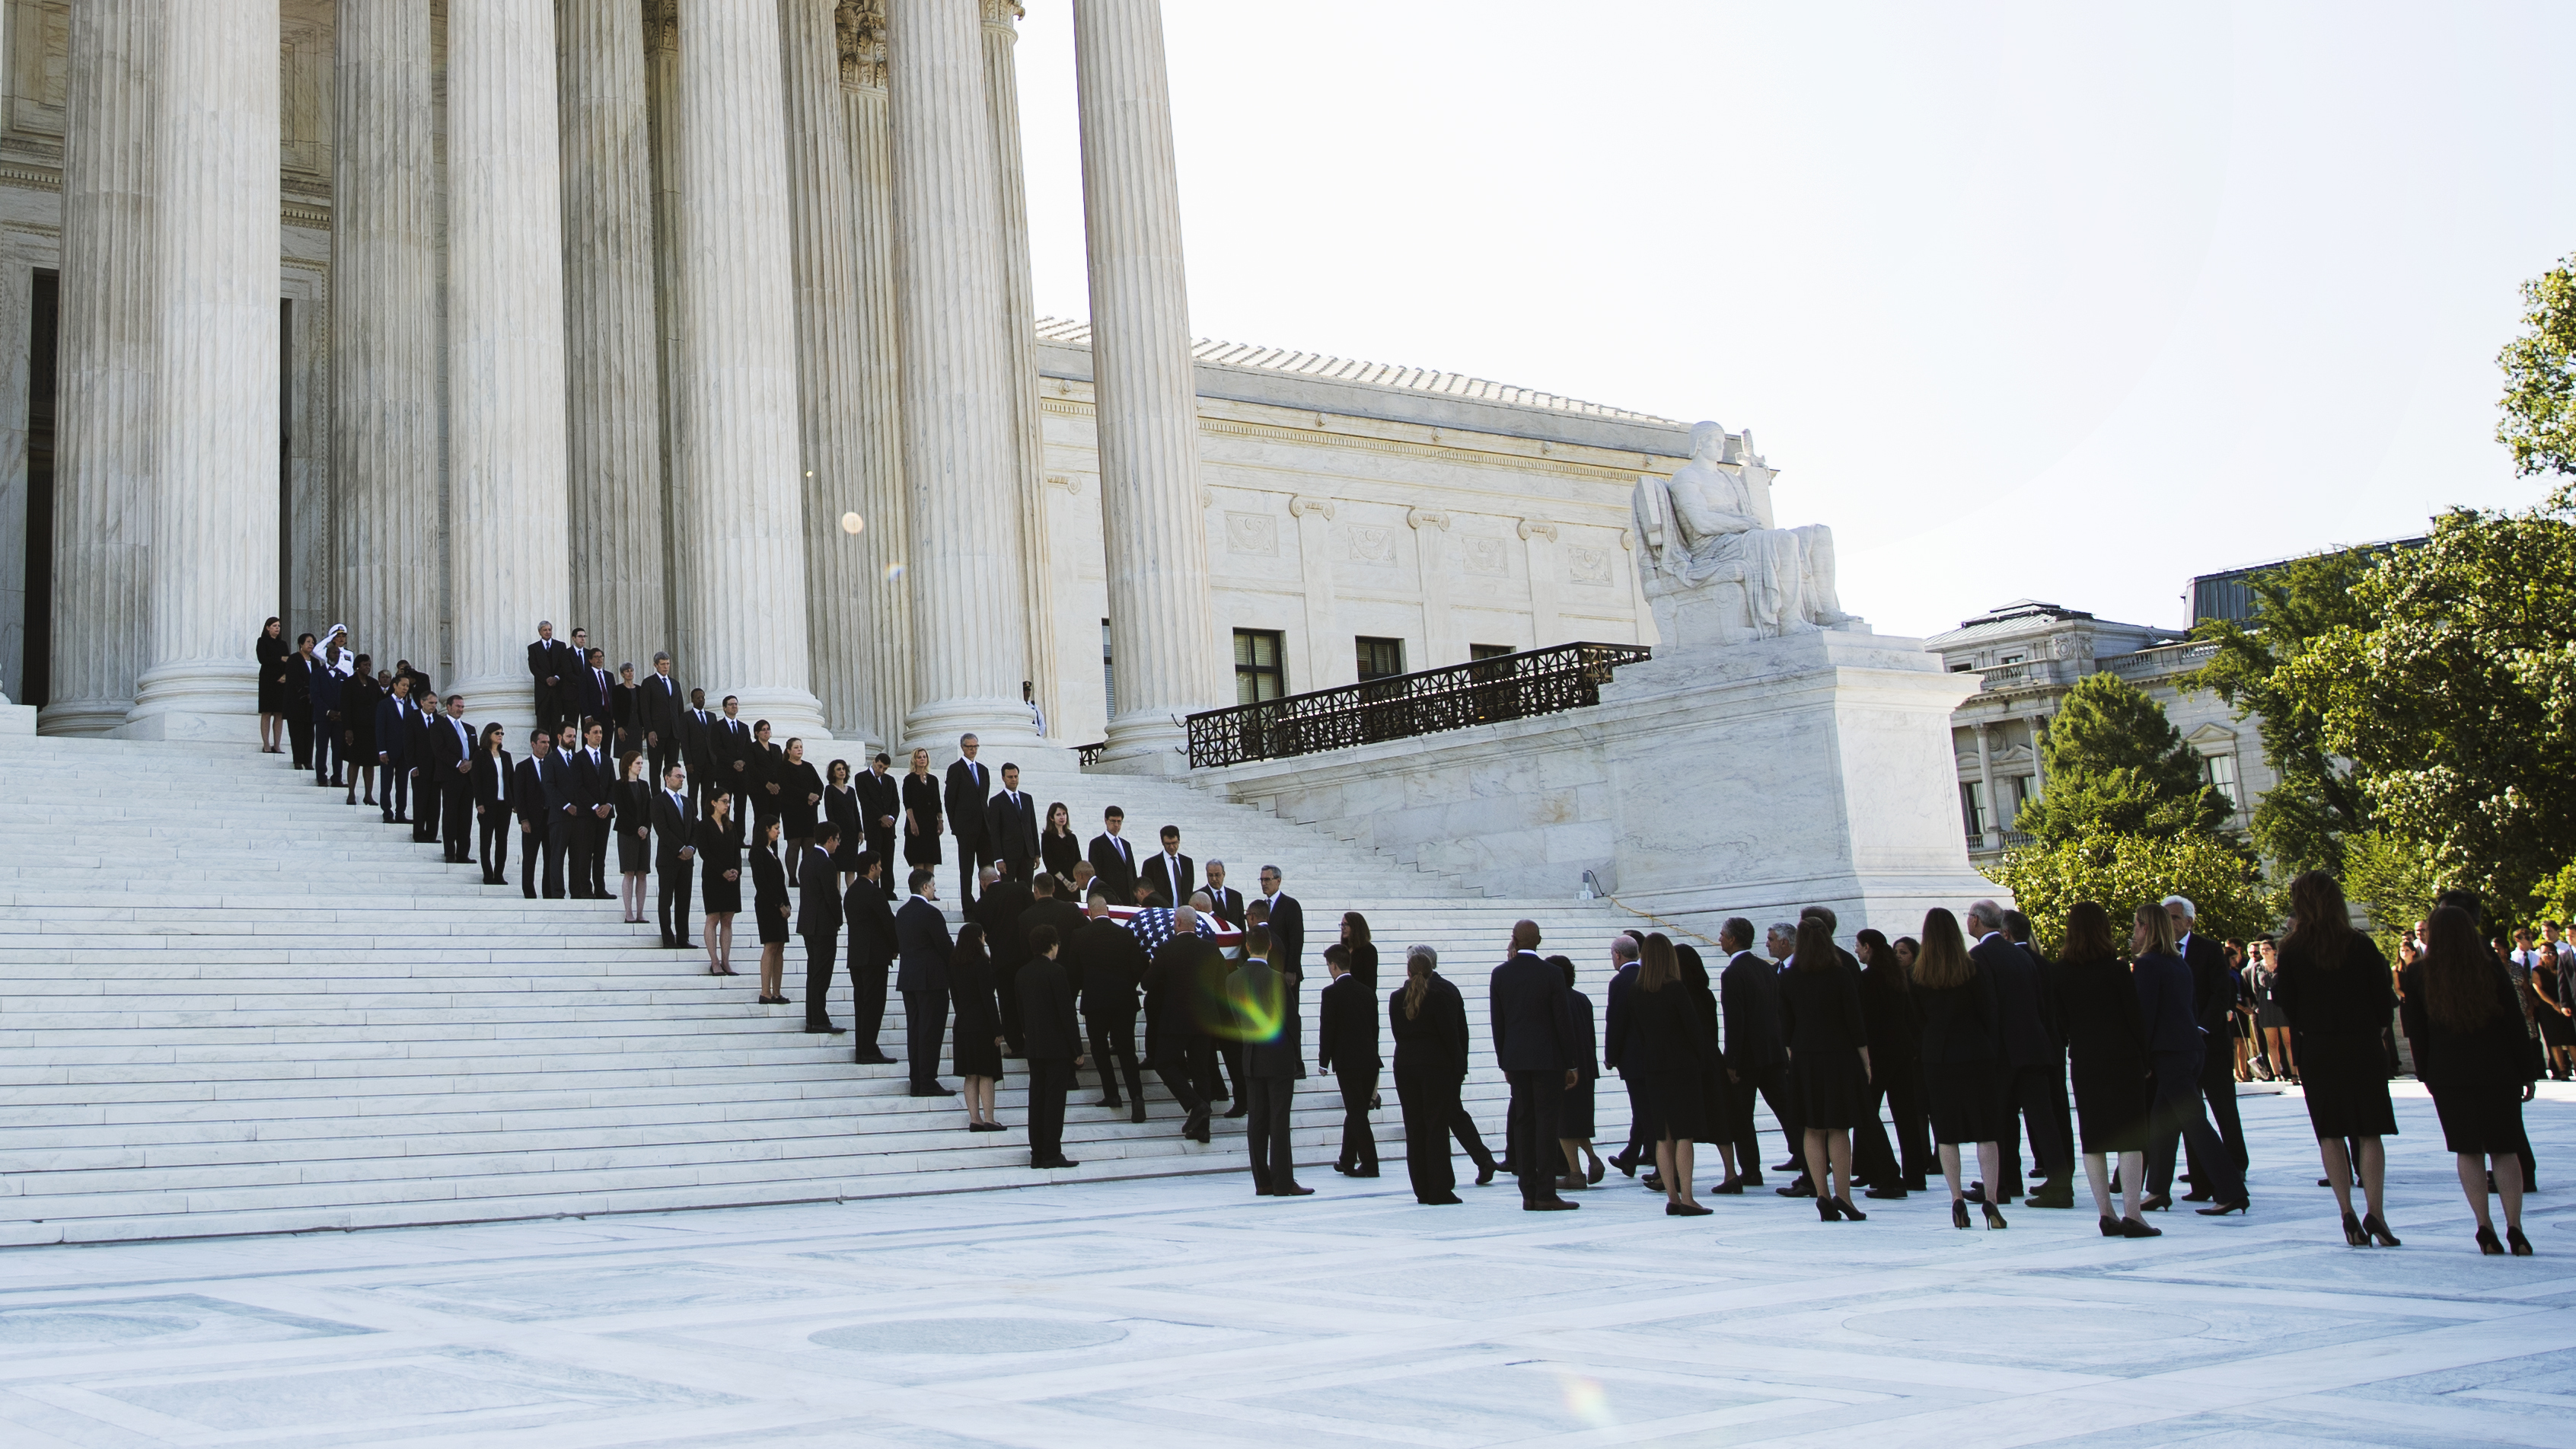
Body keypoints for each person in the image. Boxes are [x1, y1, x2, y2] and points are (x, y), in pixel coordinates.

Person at [2275, 870, 2402, 1248]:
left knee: (2329, 1131)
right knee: (2370, 1131)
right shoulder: (2359, 945)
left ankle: (2346, 1210)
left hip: (2318, 1046)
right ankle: (2375, 1212)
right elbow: (2384, 1002)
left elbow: (2288, 1002)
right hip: (2361, 1044)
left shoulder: (2292, 949)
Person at [2401, 905, 2537, 1255]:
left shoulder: (2417, 975)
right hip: (2498, 1069)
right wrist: (2527, 1071)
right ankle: (2516, 1227)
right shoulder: (2491, 968)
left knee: (2467, 1150)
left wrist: (2426, 1074)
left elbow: (2416, 1032)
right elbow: (2513, 1024)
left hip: (2449, 1073)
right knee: (2505, 1149)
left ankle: (2484, 1225)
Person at [2134, 902, 2246, 1215]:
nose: (2134, 933)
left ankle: (2231, 1190)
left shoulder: (2148, 964)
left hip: (2171, 1055)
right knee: (2162, 1122)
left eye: (2136, 926)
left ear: (2145, 928)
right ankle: (2157, 1189)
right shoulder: (2176, 962)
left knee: (2194, 1122)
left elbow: (2145, 1016)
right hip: (2190, 1050)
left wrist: (2141, 1060)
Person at [2055, 902, 2158, 1238]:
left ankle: (2106, 1213)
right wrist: (2145, 1060)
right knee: (2130, 1137)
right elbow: (2134, 1019)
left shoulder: (2060, 972)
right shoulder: (2116, 970)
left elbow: (2059, 1022)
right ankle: (2133, 1213)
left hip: (2085, 1060)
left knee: (2093, 1138)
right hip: (2122, 1059)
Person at [1965, 900, 2069, 1208]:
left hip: (2002, 1053)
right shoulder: (2021, 954)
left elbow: (1988, 1008)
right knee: (2042, 1119)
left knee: (2000, 1120)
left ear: (1976, 922)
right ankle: (2060, 1185)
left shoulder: (1979, 956)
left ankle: (2003, 1184)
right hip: (2032, 1047)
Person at [1914, 908, 2007, 1230]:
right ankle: (1991, 1200)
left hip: (1937, 1059)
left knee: (1946, 1134)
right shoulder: (1973, 969)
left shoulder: (1918, 975)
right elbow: (1990, 1014)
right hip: (1974, 1054)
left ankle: (1956, 1199)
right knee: (1986, 1132)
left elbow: (1917, 1023)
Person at [1781, 916, 1870, 1221]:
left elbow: (1786, 1027)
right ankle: (1842, 1195)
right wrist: (1866, 1062)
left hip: (1806, 1057)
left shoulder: (1789, 977)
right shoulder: (1840, 975)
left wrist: (1794, 1058)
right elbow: (1856, 1024)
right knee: (1839, 1127)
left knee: (1812, 1128)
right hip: (1839, 1057)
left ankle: (1821, 1193)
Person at [1389, 944, 1494, 1204]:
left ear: (1409, 970)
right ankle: (1440, 1188)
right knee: (1436, 1127)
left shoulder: (1396, 997)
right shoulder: (1442, 993)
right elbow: (1453, 1035)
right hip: (1436, 1067)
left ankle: (1422, 1188)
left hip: (1405, 1066)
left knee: (1414, 1128)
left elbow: (1398, 1034)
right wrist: (1459, 1066)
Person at [1488, 921, 1580, 1211]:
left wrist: (1504, 1060)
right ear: (1539, 940)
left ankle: (1528, 1190)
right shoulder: (1551, 974)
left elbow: (1497, 1022)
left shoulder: (1501, 974)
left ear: (1513, 939)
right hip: (1547, 1060)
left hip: (1516, 1059)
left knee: (1524, 1122)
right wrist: (1571, 1063)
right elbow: (1562, 1021)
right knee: (1546, 1124)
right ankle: (1546, 1190)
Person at [2166, 895, 2252, 1202]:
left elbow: (2221, 993)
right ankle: (2200, 1174)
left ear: (2189, 921)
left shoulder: (2209, 949)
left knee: (2224, 1107)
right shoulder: (2159, 951)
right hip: (2179, 1047)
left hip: (2210, 1043)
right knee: (2190, 1111)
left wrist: (2202, 1027)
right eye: (2165, 917)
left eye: (2175, 918)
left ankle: (2237, 1165)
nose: (2170, 923)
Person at [1628, 933, 1714, 1215]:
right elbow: (1693, 1030)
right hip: (1681, 1067)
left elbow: (1639, 1033)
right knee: (1684, 1134)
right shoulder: (1676, 989)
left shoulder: (1637, 991)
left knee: (1663, 1137)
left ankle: (1672, 1197)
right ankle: (1688, 1197)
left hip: (1654, 1067)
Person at [1228, 925, 1311, 1195]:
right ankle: (1283, 1182)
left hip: (1251, 1057)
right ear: (1270, 948)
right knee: (1278, 1121)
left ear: (1248, 947)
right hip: (1278, 1059)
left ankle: (1262, 1181)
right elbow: (1291, 1022)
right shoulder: (1277, 979)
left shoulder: (1233, 980)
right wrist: (1296, 1057)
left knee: (1257, 1121)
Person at [1852, 928, 1927, 1198]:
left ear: (1869, 947)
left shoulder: (1868, 978)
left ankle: (1882, 1173)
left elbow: (1865, 1021)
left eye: (1859, 946)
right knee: (1906, 1114)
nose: (1857, 951)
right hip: (1902, 1051)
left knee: (1866, 1114)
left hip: (1878, 1054)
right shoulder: (1896, 975)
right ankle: (1915, 1175)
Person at [1142, 905, 1220, 1143]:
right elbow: (1221, 984)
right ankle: (1203, 1129)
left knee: (1164, 1063)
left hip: (1176, 1020)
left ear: (1176, 923)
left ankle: (1196, 1105)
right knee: (1201, 1071)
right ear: (1194, 924)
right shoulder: (1211, 949)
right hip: (1205, 1019)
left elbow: (1147, 984)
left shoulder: (1167, 950)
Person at [1068, 892, 1149, 1122]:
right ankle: (1137, 1097)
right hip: (1124, 1001)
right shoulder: (1125, 934)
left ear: (1090, 913)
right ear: (1109, 911)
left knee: (1099, 1049)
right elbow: (1137, 969)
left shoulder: (1080, 936)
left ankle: (1112, 1094)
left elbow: (1074, 973)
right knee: (1127, 1051)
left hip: (1095, 1002)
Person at [1717, 921, 1786, 1190]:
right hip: (1772, 1052)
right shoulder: (1766, 969)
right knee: (1785, 1110)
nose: (1720, 939)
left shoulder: (1733, 973)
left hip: (1746, 1058)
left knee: (1742, 1116)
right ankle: (1808, 1163)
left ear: (1733, 940)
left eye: (1723, 935)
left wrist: (1731, 1062)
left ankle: (1751, 1171)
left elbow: (1736, 1021)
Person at [1020, 924, 1086, 1169]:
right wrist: (1077, 1049)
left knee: (1036, 1098)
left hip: (1035, 1047)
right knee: (1055, 1100)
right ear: (1052, 945)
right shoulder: (1057, 972)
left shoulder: (1022, 974)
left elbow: (1020, 1014)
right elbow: (1066, 1014)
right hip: (1056, 1049)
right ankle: (1051, 1152)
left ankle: (1037, 1152)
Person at [1318, 943, 1381, 1177]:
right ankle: (1346, 1159)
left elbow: (1328, 1028)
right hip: (1369, 1061)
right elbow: (1375, 1029)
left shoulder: (1331, 993)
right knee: (1356, 1111)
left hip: (1348, 1063)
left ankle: (1370, 1163)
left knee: (1356, 1114)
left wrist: (1324, 1061)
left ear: (1334, 966)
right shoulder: (1367, 992)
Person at [897, 867, 955, 1096]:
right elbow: (945, 947)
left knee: (916, 1030)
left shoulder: (902, 912)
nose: (935, 889)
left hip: (909, 979)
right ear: (924, 887)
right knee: (931, 1031)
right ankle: (928, 1081)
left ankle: (917, 1081)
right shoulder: (930, 913)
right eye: (932, 886)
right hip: (931, 981)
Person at [840, 853, 900, 1064]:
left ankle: (863, 1049)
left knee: (862, 1004)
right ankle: (868, 1049)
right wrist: (896, 947)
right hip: (874, 957)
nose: (882, 870)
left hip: (856, 957)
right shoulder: (874, 893)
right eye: (880, 866)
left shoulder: (851, 892)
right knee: (874, 1005)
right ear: (872, 867)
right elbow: (888, 922)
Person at [1551, 954, 1604, 1190]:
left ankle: (1575, 1173)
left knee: (1563, 1122)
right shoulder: (1582, 999)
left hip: (1567, 1069)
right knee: (1578, 1120)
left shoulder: (1556, 1000)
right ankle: (1592, 1159)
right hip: (1587, 1066)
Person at [1601, 934, 1651, 1178]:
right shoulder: (1650, 974)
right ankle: (1631, 1156)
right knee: (1644, 1108)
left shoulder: (1620, 981)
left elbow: (1616, 1021)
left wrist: (1610, 1055)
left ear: (1618, 955)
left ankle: (1659, 1162)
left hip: (1633, 1058)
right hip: (1655, 1055)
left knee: (1643, 1109)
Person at [948, 921, 1006, 1131]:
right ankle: (989, 1118)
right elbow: (988, 999)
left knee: (970, 1074)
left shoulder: (954, 964)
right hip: (982, 1025)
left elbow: (954, 997)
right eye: (982, 935)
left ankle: (975, 1118)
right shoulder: (982, 964)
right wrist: (998, 1030)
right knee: (986, 1073)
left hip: (963, 1024)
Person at [974, 863, 1035, 1055]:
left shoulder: (980, 906)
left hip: (1002, 961)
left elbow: (983, 934)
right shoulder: (1020, 888)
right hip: (1028, 956)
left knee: (1008, 1004)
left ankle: (1017, 1045)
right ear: (998, 878)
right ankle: (1035, 1040)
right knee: (1030, 1001)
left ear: (982, 884)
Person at [695, 789, 744, 978]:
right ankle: (714, 961)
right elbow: (705, 853)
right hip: (713, 877)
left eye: (729, 801)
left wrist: (736, 870)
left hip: (731, 878)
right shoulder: (704, 825)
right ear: (714, 802)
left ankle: (726, 961)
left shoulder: (730, 825)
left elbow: (737, 850)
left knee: (728, 920)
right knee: (713, 918)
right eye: (724, 801)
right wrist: (722, 871)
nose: (727, 805)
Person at [944, 734, 993, 905]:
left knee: (987, 867)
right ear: (962, 747)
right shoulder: (955, 769)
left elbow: (984, 799)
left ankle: (987, 901)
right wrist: (955, 826)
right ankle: (968, 904)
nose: (972, 749)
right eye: (969, 746)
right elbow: (950, 800)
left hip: (984, 828)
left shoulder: (983, 770)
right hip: (965, 828)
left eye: (975, 746)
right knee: (966, 868)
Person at [568, 721, 614, 900]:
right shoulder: (578, 758)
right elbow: (578, 787)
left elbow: (612, 785)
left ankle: (600, 889)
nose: (599, 735)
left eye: (601, 732)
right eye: (595, 732)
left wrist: (608, 805)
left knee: (600, 853)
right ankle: (585, 889)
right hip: (587, 814)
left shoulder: (606, 758)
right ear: (586, 735)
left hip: (605, 814)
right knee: (585, 852)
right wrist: (595, 806)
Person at [651, 763, 696, 947]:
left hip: (687, 861)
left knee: (684, 900)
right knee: (666, 900)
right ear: (667, 778)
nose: (682, 779)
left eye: (683, 776)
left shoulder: (688, 802)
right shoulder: (658, 801)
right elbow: (662, 829)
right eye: (678, 776)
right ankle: (668, 938)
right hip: (668, 859)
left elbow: (694, 827)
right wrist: (680, 848)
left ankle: (683, 937)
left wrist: (691, 848)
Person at [749, 819, 793, 1005]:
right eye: (776, 829)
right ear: (766, 829)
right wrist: (778, 904)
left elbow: (780, 881)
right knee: (770, 946)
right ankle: (765, 992)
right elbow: (762, 883)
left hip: (779, 904)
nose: (778, 832)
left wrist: (787, 903)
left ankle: (777, 991)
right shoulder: (757, 852)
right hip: (767, 905)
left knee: (780, 946)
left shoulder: (772, 852)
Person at [433, 694, 477, 864]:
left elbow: (477, 750)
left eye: (462, 707)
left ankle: (463, 853)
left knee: (466, 816)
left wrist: (471, 763)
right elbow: (439, 750)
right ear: (449, 707)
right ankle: (450, 853)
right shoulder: (439, 726)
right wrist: (459, 763)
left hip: (468, 779)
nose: (460, 709)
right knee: (451, 815)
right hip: (450, 777)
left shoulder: (470, 728)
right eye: (458, 706)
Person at [470, 723, 513, 886]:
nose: (500, 735)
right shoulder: (480, 755)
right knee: (486, 840)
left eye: (502, 733)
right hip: (488, 805)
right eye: (497, 732)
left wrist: (514, 802)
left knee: (502, 840)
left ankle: (499, 874)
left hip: (505, 804)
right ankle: (488, 874)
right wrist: (479, 803)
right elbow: (476, 781)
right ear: (488, 735)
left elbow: (511, 780)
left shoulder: (506, 756)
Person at [983, 764, 1040, 883]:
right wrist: (998, 858)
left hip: (1027, 854)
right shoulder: (996, 801)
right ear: (1003, 778)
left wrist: (1036, 853)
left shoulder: (1027, 799)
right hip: (1008, 856)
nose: (1014, 780)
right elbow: (995, 832)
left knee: (1026, 889)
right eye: (1010, 777)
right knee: (1008, 890)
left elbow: (1032, 826)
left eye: (1016, 776)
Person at [779, 738, 824, 887]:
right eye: (796, 747)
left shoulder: (809, 766)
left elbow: (819, 785)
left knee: (810, 844)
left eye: (801, 747)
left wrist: (815, 797)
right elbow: (786, 787)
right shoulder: (784, 767)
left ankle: (806, 876)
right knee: (794, 844)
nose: (799, 749)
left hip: (810, 810)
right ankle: (792, 877)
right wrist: (807, 796)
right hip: (792, 810)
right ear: (789, 750)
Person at [2252, 937, 2297, 1085]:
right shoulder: (2257, 967)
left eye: (2267, 949)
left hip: (2282, 1003)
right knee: (2272, 1042)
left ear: (2274, 951)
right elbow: (2255, 988)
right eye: (2262, 949)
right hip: (2266, 1004)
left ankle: (2294, 1073)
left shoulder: (2281, 965)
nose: (2264, 952)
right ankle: (2277, 1074)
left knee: (2288, 1041)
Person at [513, 729, 550, 898]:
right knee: (529, 858)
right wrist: (523, 819)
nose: (546, 746)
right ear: (533, 744)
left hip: (551, 820)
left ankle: (548, 892)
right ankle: (529, 892)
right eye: (543, 742)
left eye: (548, 742)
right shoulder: (522, 767)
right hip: (532, 820)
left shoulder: (553, 765)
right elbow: (519, 795)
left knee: (551, 859)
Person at [857, 754, 901, 898]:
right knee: (873, 859)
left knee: (888, 859)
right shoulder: (861, 778)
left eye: (885, 768)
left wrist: (891, 818)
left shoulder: (890, 780)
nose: (881, 770)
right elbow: (866, 801)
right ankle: (874, 888)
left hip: (889, 827)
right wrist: (881, 817)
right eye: (880, 766)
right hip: (873, 826)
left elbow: (896, 802)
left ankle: (888, 890)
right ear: (874, 761)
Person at [340, 653, 380, 809]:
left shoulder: (374, 683)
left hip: (371, 728)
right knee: (354, 761)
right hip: (355, 728)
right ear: (357, 666)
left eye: (369, 664)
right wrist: (348, 729)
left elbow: (380, 703)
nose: (368, 667)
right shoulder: (349, 683)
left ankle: (368, 794)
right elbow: (345, 706)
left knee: (370, 763)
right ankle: (351, 792)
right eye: (365, 664)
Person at [901, 746, 943, 885]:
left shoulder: (933, 779)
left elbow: (938, 802)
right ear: (914, 760)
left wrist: (940, 820)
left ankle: (930, 889)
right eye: (919, 757)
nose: (922, 759)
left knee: (931, 858)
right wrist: (912, 822)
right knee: (918, 858)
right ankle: (919, 889)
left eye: (924, 757)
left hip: (931, 823)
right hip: (916, 822)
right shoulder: (909, 780)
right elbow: (908, 804)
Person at [639, 652, 683, 785]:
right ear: (656, 665)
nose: (666, 667)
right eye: (663, 664)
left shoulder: (675, 683)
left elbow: (679, 708)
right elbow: (644, 709)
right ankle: (657, 798)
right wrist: (649, 730)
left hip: (673, 733)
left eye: (668, 664)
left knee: (671, 768)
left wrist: (680, 731)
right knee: (655, 768)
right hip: (656, 733)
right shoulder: (648, 683)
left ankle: (670, 794)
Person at [1256, 864, 1306, 980]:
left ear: (1278, 881)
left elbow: (1297, 940)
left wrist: (1291, 970)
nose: (1263, 884)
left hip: (1286, 972)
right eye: (1261, 880)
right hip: (1268, 972)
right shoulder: (1261, 906)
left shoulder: (1291, 905)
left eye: (1267, 879)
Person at [527, 621, 576, 733]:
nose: (548, 632)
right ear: (540, 632)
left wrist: (556, 677)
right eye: (545, 630)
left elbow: (564, 665)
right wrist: (546, 679)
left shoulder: (561, 646)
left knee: (557, 725)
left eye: (550, 630)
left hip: (558, 691)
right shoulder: (533, 648)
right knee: (542, 725)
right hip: (542, 692)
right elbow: (533, 667)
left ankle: (556, 749)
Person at [282, 633, 320, 768]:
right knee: (297, 733)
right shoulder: (293, 659)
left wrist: (314, 694)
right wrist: (306, 692)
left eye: (313, 642)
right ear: (301, 644)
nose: (311, 644)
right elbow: (294, 680)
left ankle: (308, 761)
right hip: (296, 703)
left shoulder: (316, 662)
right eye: (308, 642)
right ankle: (298, 760)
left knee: (309, 734)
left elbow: (318, 680)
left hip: (311, 705)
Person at [1087, 806, 1138, 906]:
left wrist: (1136, 899)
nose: (1116, 825)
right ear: (1106, 821)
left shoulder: (1126, 844)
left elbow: (1132, 872)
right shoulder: (1097, 844)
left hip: (1129, 899)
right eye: (1113, 821)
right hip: (1110, 898)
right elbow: (1097, 873)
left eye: (1119, 822)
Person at [256, 617, 291, 753]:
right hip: (267, 679)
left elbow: (289, 661)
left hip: (281, 680)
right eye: (274, 626)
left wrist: (286, 675)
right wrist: (280, 658)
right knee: (266, 712)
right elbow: (262, 658)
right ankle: (266, 744)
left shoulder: (283, 644)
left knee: (279, 713)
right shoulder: (262, 641)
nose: (277, 628)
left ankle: (277, 745)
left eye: (279, 626)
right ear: (268, 627)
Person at [681, 688, 717, 816]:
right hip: (694, 763)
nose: (701, 700)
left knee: (708, 793)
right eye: (698, 698)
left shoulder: (712, 717)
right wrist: (688, 762)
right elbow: (684, 741)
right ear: (692, 700)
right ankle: (693, 819)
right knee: (693, 793)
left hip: (710, 761)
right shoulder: (686, 717)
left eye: (702, 697)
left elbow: (714, 739)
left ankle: (707, 819)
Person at [1142, 825, 1193, 910]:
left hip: (1183, 913)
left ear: (1179, 841)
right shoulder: (1150, 865)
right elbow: (1148, 893)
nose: (1172, 847)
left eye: (1174, 843)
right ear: (1162, 842)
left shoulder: (1187, 863)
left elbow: (1189, 889)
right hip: (1161, 912)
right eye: (1168, 844)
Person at [1203, 860, 1245, 930]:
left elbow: (1241, 924)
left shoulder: (1236, 897)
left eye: (1217, 875)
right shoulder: (1200, 896)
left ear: (1224, 874)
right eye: (1210, 875)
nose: (1214, 879)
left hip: (1234, 938)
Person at [611, 662, 639, 757]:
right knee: (623, 754)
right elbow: (615, 709)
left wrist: (644, 728)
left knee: (635, 754)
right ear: (622, 674)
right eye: (627, 671)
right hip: (623, 724)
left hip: (637, 724)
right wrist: (619, 727)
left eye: (631, 671)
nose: (630, 673)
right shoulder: (617, 689)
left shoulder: (640, 689)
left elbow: (643, 709)